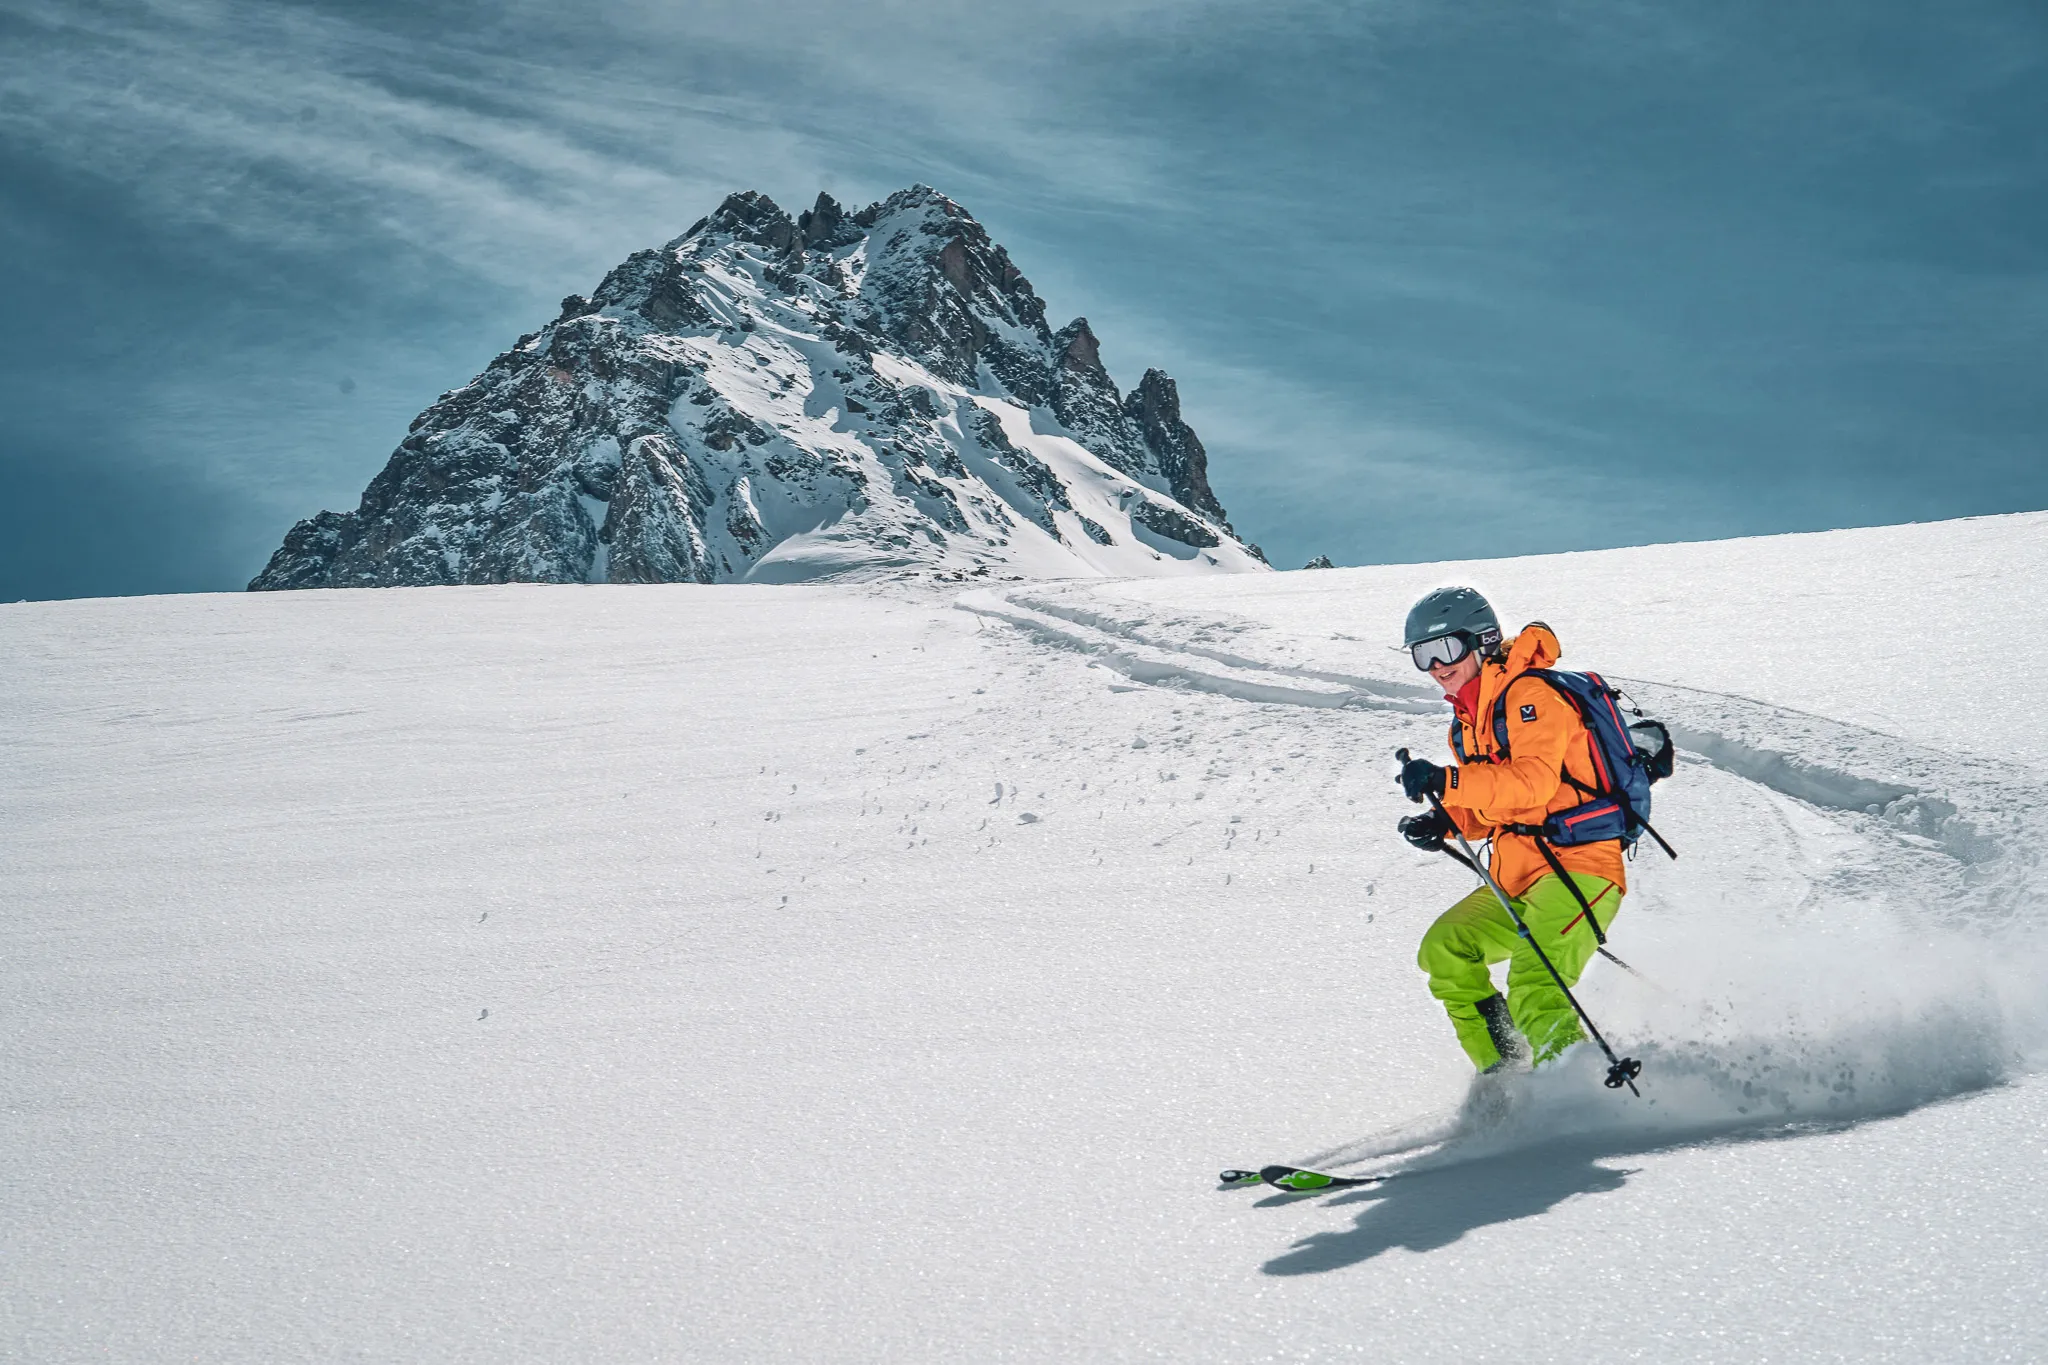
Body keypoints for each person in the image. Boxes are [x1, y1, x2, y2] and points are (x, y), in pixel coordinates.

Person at [1392, 587, 1625, 1073]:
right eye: (1422, 655)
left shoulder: (1530, 695)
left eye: (1446, 649)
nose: (1436, 666)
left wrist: (1446, 780)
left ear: (1482, 640)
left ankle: (1574, 1100)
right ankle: (1505, 1074)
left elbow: (1533, 785)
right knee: (1445, 949)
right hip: (1518, 876)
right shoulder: (1467, 723)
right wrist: (1445, 820)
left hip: (1579, 867)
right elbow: (1493, 807)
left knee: (1534, 983)